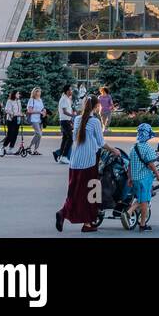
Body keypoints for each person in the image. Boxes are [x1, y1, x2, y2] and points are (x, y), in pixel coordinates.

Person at [56, 97, 118, 232]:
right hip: (89, 161)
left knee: (74, 191)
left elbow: (75, 139)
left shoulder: (77, 119)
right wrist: (114, 150)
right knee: (90, 193)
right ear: (96, 107)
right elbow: (101, 142)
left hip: (75, 161)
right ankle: (88, 223)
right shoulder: (95, 122)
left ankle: (63, 212)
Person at [127, 123, 159, 232]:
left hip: (135, 178)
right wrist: (158, 175)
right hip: (144, 179)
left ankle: (130, 212)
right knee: (144, 201)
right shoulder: (147, 148)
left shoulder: (133, 147)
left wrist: (129, 178)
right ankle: (141, 224)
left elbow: (129, 165)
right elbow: (151, 164)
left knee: (140, 199)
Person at [54, 85, 74, 165]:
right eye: (70, 90)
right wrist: (73, 116)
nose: (71, 91)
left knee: (65, 138)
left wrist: (71, 120)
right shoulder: (64, 99)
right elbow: (64, 111)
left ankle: (60, 156)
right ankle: (64, 156)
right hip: (64, 121)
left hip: (67, 121)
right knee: (70, 138)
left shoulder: (67, 99)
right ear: (67, 91)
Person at [0, 90, 22, 156]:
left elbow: (19, 110)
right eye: (17, 93)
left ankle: (11, 149)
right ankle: (3, 148)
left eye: (19, 94)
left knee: (15, 134)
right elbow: (6, 109)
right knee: (10, 134)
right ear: (14, 94)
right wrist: (13, 114)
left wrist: (20, 114)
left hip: (17, 119)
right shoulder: (9, 101)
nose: (19, 95)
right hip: (11, 119)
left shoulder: (19, 101)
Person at [25, 87, 46, 155]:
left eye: (40, 91)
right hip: (34, 119)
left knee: (39, 135)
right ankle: (29, 147)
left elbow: (42, 108)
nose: (39, 93)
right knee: (38, 134)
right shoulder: (31, 100)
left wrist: (44, 111)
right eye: (38, 91)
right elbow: (29, 110)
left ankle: (35, 150)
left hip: (40, 119)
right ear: (34, 92)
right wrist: (39, 112)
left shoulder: (40, 100)